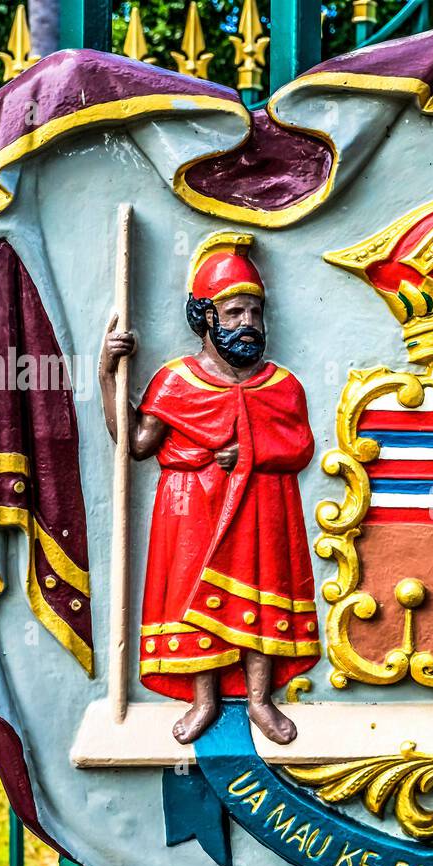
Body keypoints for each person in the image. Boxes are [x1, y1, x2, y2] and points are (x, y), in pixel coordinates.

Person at [98, 234, 319, 744]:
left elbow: (300, 446)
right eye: (235, 311)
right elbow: (134, 443)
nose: (248, 323)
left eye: (255, 312)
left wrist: (250, 454)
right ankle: (204, 700)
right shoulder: (176, 383)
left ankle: (261, 701)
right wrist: (109, 375)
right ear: (206, 318)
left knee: (260, 600)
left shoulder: (282, 385)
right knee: (194, 601)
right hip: (191, 511)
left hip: (260, 513)